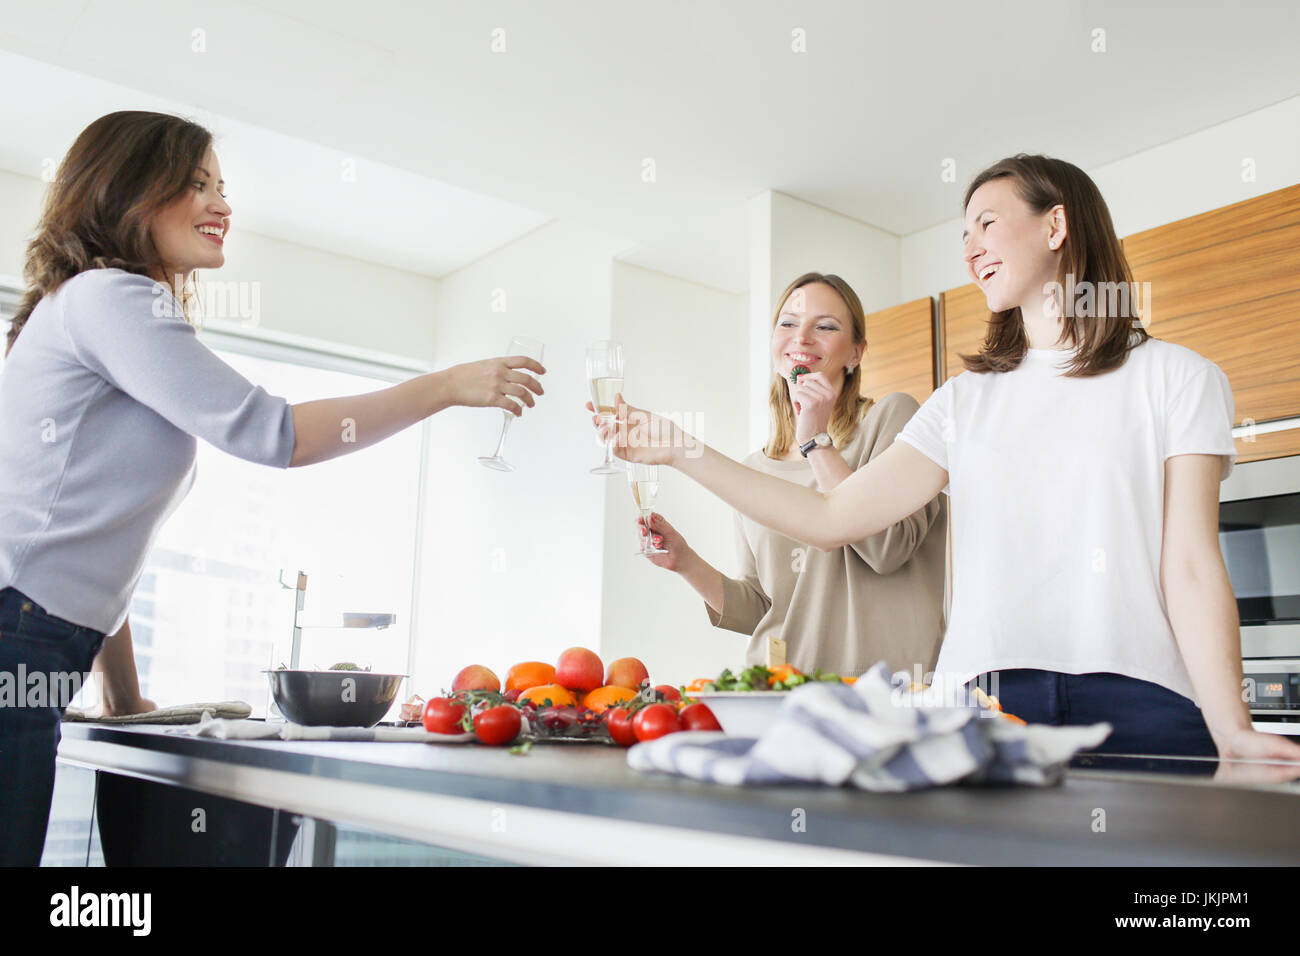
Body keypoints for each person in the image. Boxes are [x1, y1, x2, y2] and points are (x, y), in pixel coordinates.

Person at [596, 153, 1300, 762]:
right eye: (963, 235)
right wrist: (679, 449)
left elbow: (1191, 564)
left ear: (1055, 226)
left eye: (986, 224)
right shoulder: (965, 401)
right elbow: (833, 516)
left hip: (1146, 696)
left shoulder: (1179, 377)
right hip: (986, 706)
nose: (970, 250)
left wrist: (1230, 725)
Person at [0, 110, 547, 865]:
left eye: (222, 186)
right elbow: (272, 434)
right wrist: (446, 386)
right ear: (128, 192)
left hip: (34, 635)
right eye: (196, 185)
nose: (223, 205)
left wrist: (125, 698)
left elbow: (91, 545)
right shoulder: (107, 297)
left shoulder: (93, 307)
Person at [628, 272, 946, 677]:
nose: (802, 338)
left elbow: (888, 550)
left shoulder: (893, 420)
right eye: (788, 323)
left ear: (856, 352)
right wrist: (685, 562)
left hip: (881, 695)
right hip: (780, 691)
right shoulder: (753, 470)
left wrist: (816, 441)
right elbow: (763, 606)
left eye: (825, 326)